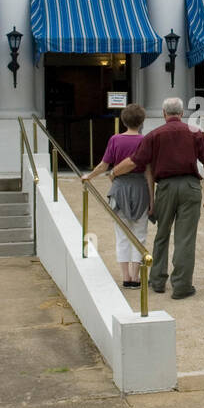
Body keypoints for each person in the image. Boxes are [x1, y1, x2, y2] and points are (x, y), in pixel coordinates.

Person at [110, 96, 204, 299]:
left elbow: (134, 161)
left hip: (165, 187)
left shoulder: (154, 135)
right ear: (182, 113)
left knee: (162, 234)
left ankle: (157, 281)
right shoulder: (195, 132)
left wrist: (114, 172)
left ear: (164, 114)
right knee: (185, 238)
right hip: (190, 187)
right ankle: (182, 286)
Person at [81, 104, 149, 289]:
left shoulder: (115, 140)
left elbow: (104, 165)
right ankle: (136, 276)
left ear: (124, 121)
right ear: (142, 121)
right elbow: (149, 169)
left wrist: (89, 176)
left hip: (119, 187)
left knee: (122, 234)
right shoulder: (145, 141)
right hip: (141, 187)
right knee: (139, 234)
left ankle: (126, 277)